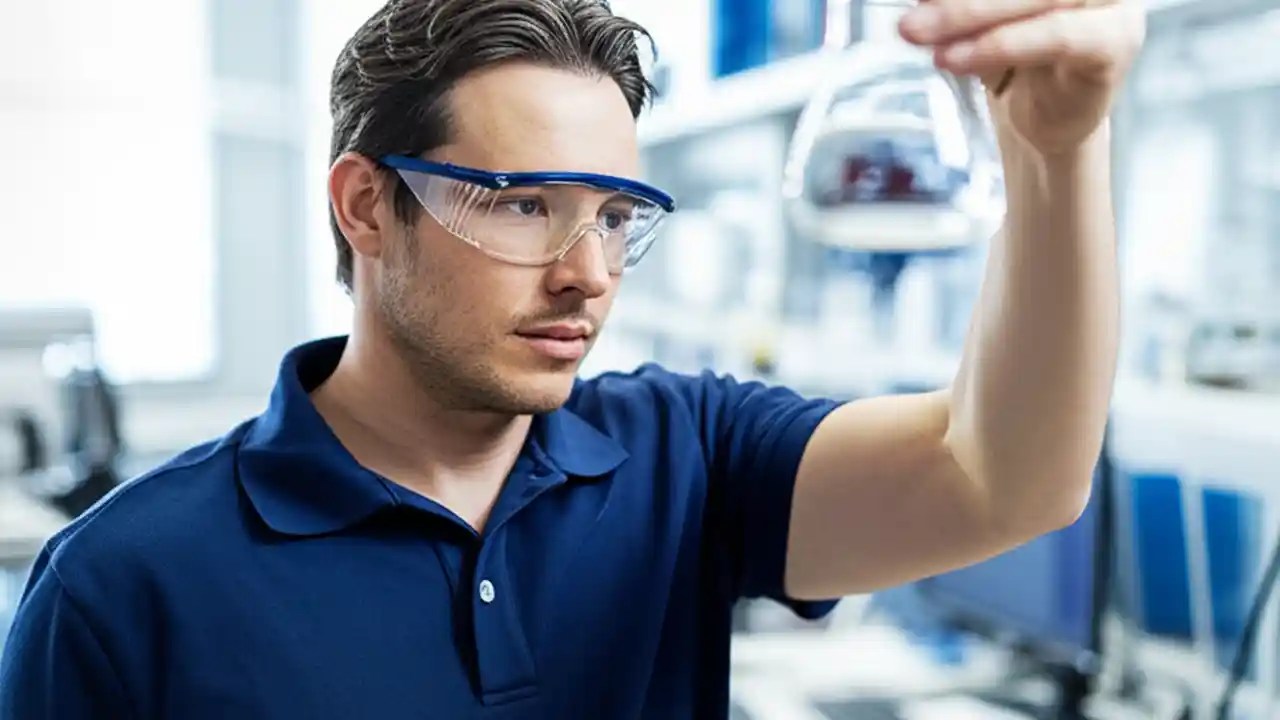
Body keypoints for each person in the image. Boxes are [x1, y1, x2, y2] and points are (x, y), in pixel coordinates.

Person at [0, 0, 1144, 717]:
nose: (587, 273)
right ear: (364, 206)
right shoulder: (123, 585)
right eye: (522, 206)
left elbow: (1007, 478)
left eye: (612, 216)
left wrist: (1056, 149)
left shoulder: (679, 454)